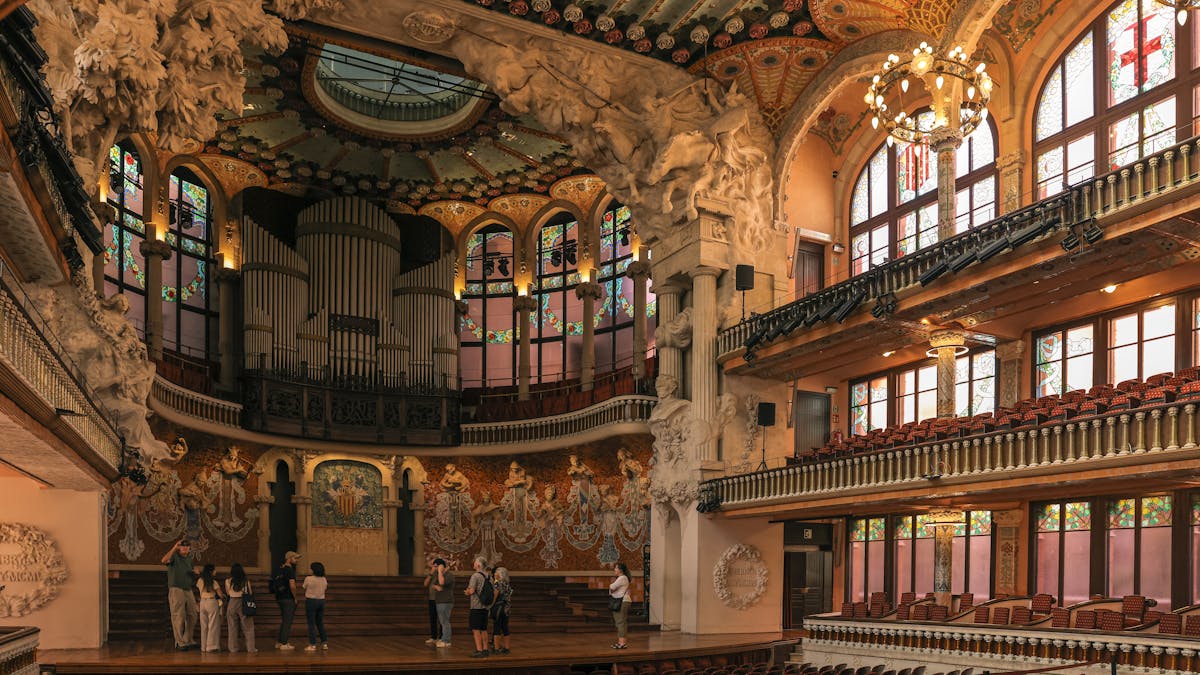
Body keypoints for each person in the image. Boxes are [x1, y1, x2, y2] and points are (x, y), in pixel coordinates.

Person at [161, 539, 197, 651]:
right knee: (179, 616)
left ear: (190, 548)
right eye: (182, 546)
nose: (185, 548)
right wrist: (174, 548)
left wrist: (195, 573)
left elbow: (190, 573)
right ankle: (179, 642)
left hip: (188, 588)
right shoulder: (175, 557)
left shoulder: (190, 560)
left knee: (192, 615)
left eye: (187, 546)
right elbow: (164, 560)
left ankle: (188, 639)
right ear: (179, 547)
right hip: (176, 588)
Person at [225, 563, 256, 653]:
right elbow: (250, 592)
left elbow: (227, 593)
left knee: (232, 627)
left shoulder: (228, 581)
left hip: (232, 603)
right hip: (243, 602)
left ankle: (233, 648)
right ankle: (251, 648)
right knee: (248, 627)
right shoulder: (246, 581)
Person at [274, 550, 301, 650]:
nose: (297, 560)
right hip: (288, 598)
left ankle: (280, 642)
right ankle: (284, 643)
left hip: (280, 598)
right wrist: (295, 597)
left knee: (284, 621)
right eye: (295, 558)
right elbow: (292, 586)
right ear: (289, 559)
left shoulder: (280, 569)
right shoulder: (290, 570)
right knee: (287, 621)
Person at [196, 563, 225, 652]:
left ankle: (203, 647)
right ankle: (211, 647)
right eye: (214, 570)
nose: (215, 571)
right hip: (211, 602)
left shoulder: (200, 580)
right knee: (213, 625)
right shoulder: (214, 582)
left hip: (202, 602)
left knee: (203, 625)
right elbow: (220, 594)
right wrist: (222, 596)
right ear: (211, 571)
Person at [465, 555, 490, 658]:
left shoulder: (475, 576)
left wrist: (467, 592)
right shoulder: (488, 576)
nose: (473, 563)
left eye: (475, 562)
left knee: (476, 629)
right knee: (484, 629)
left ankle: (479, 650)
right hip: (485, 606)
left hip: (476, 606)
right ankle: (485, 649)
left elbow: (472, 590)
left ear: (479, 565)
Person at [303, 561, 328, 652]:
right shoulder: (324, 579)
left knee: (311, 623)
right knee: (320, 622)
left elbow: (304, 587)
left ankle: (312, 644)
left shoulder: (309, 578)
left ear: (313, 570)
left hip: (311, 601)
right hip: (321, 601)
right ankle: (324, 643)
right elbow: (325, 588)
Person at [431, 558, 455, 648]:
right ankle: (444, 638)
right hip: (439, 601)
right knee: (442, 621)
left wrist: (440, 571)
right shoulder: (439, 575)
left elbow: (441, 582)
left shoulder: (449, 575)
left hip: (446, 601)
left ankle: (446, 640)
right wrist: (436, 587)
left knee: (445, 621)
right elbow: (434, 584)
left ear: (441, 566)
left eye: (437, 567)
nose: (436, 569)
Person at [490, 566, 512, 655]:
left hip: (499, 608)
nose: (494, 574)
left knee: (497, 627)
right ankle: (507, 648)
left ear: (500, 574)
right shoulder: (508, 584)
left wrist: (490, 605)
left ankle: (496, 648)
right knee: (505, 628)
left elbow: (495, 595)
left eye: (496, 573)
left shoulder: (497, 584)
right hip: (507, 608)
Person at [610, 562, 632, 649]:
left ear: (620, 570)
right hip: (621, 601)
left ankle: (622, 643)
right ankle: (620, 642)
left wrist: (611, 587)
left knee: (620, 622)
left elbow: (612, 587)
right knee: (619, 622)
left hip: (622, 601)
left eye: (616, 568)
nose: (614, 570)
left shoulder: (622, 578)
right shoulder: (621, 578)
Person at [423, 561, 441, 646]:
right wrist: (431, 573)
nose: (435, 567)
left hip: (441, 600)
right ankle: (434, 637)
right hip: (432, 599)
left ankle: (441, 638)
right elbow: (425, 584)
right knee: (433, 618)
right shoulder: (432, 574)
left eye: (436, 566)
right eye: (434, 566)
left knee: (441, 619)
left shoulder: (442, 574)